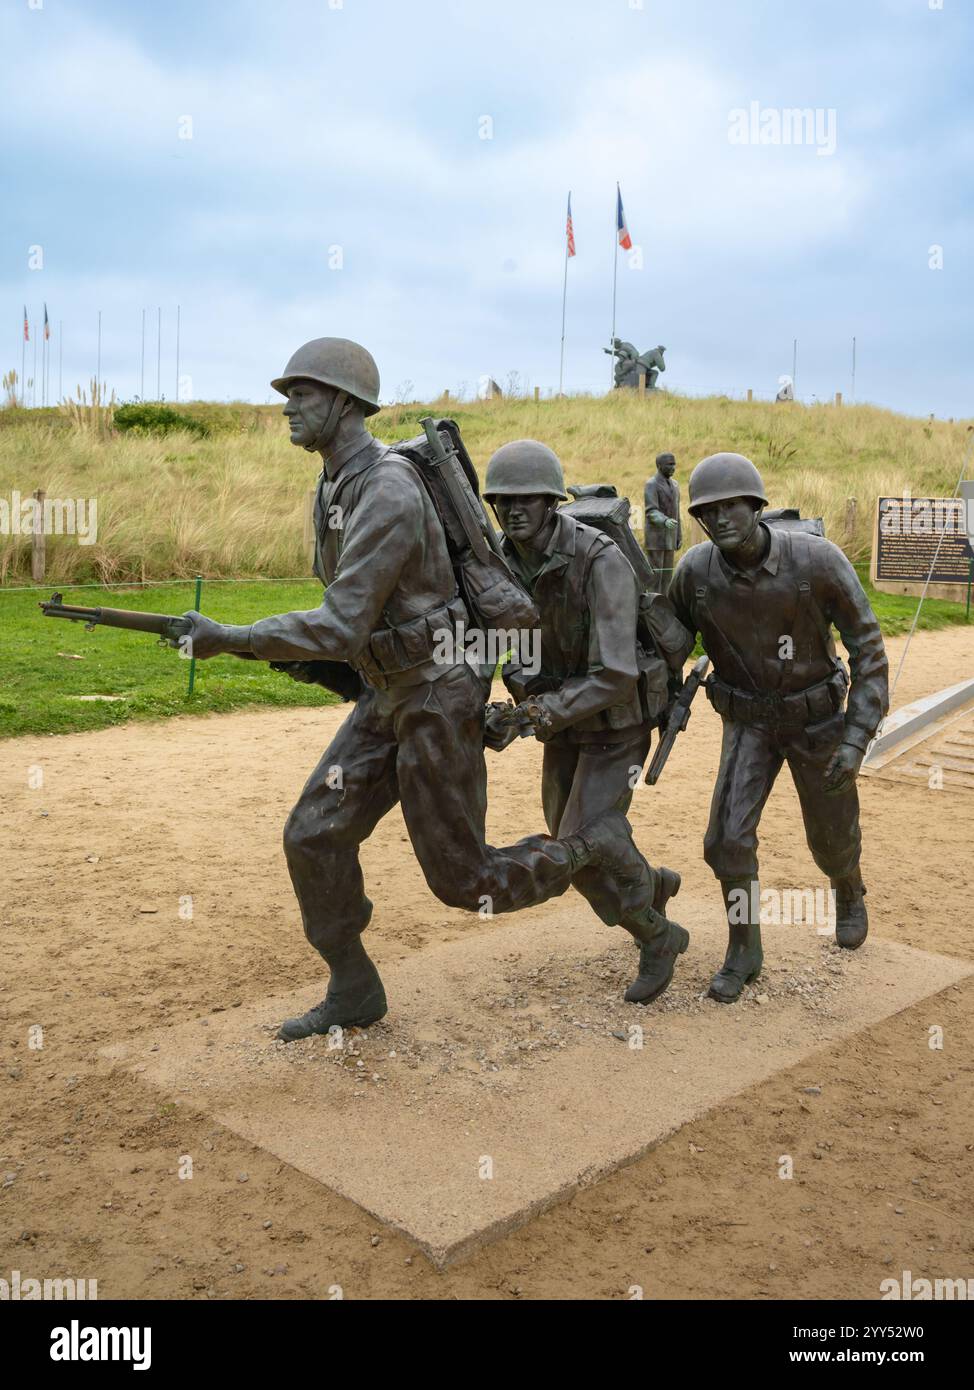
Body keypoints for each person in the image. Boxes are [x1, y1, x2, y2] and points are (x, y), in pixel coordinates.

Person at [176, 339, 655, 1039]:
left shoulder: (390, 488)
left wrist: (229, 637)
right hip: (389, 690)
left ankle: (589, 848)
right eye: (288, 394)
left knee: (469, 883)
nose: (288, 407)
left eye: (302, 394)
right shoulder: (334, 484)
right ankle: (355, 989)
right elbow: (354, 620)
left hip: (439, 694)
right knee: (313, 836)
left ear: (344, 403)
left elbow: (340, 622)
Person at [668, 453, 889, 1003]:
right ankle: (745, 948)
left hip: (818, 720)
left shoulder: (818, 561)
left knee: (831, 836)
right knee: (725, 840)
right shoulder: (694, 571)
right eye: (708, 511)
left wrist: (857, 736)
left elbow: (868, 647)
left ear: (756, 506)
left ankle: (848, 887)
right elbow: (665, 645)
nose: (720, 520)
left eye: (731, 507)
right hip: (747, 722)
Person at [482, 439, 692, 1005]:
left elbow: (615, 674)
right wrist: (505, 707)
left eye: (526, 498)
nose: (513, 510)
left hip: (616, 723)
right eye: (502, 501)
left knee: (578, 845)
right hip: (562, 724)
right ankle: (653, 885)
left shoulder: (600, 560)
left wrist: (536, 712)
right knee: (568, 842)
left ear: (551, 500)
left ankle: (658, 937)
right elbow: (504, 639)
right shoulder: (503, 559)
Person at [643, 451, 682, 593]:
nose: (673, 467)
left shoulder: (676, 485)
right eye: (669, 464)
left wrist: (678, 536)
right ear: (659, 466)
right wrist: (665, 521)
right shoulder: (651, 484)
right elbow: (651, 511)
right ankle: (652, 605)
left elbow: (677, 514)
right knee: (656, 575)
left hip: (670, 538)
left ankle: (664, 604)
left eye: (674, 464)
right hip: (656, 539)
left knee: (667, 576)